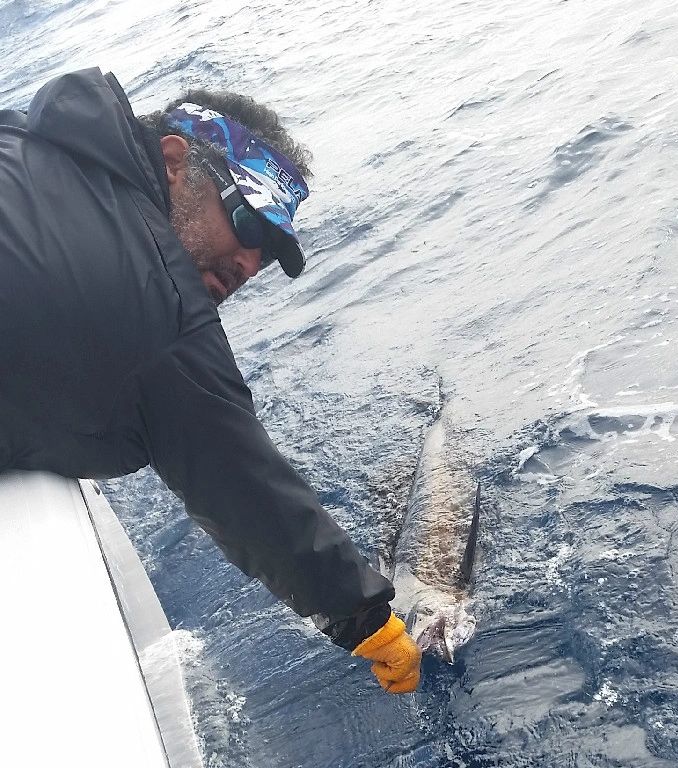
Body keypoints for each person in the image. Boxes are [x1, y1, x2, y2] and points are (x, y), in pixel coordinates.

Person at [0, 68, 421, 693]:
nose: (249, 263)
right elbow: (239, 478)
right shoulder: (158, 303)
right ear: (173, 162)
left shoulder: (23, 143)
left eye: (268, 253)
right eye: (247, 224)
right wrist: (366, 619)